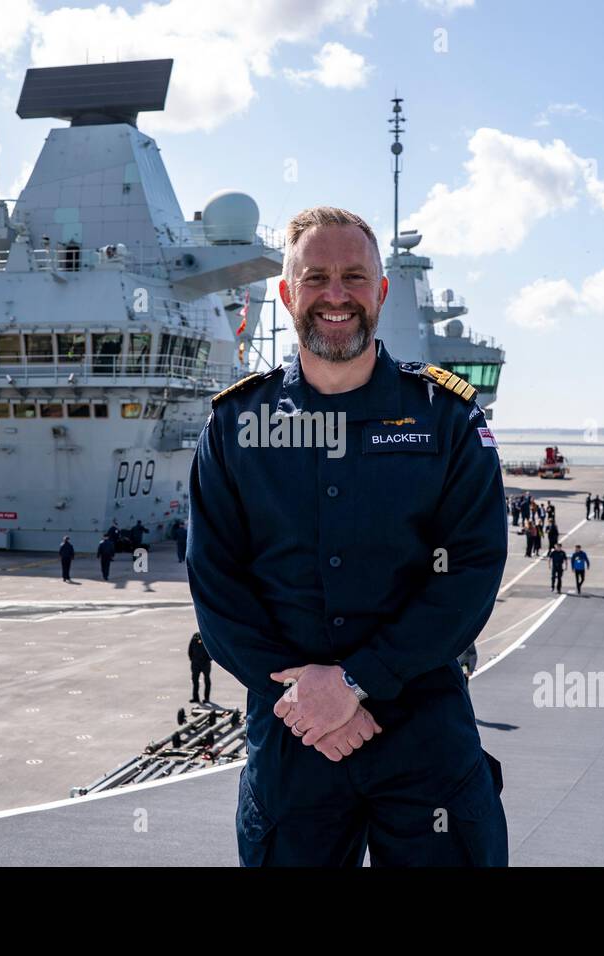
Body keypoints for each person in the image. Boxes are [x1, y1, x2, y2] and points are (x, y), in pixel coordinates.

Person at [186, 206, 508, 867]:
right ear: (287, 294)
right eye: (317, 277)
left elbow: (471, 572)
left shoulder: (445, 419)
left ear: (382, 292)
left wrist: (357, 680)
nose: (336, 296)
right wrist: (307, 699)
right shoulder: (234, 428)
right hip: (292, 737)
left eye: (355, 277)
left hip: (422, 735)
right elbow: (217, 589)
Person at [188, 631, 212, 703]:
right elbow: (190, 649)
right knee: (195, 680)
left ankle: (206, 698)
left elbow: (212, 651)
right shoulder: (195, 637)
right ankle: (196, 698)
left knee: (207, 680)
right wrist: (193, 659)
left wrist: (208, 660)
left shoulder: (207, 637)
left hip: (205, 663)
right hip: (196, 663)